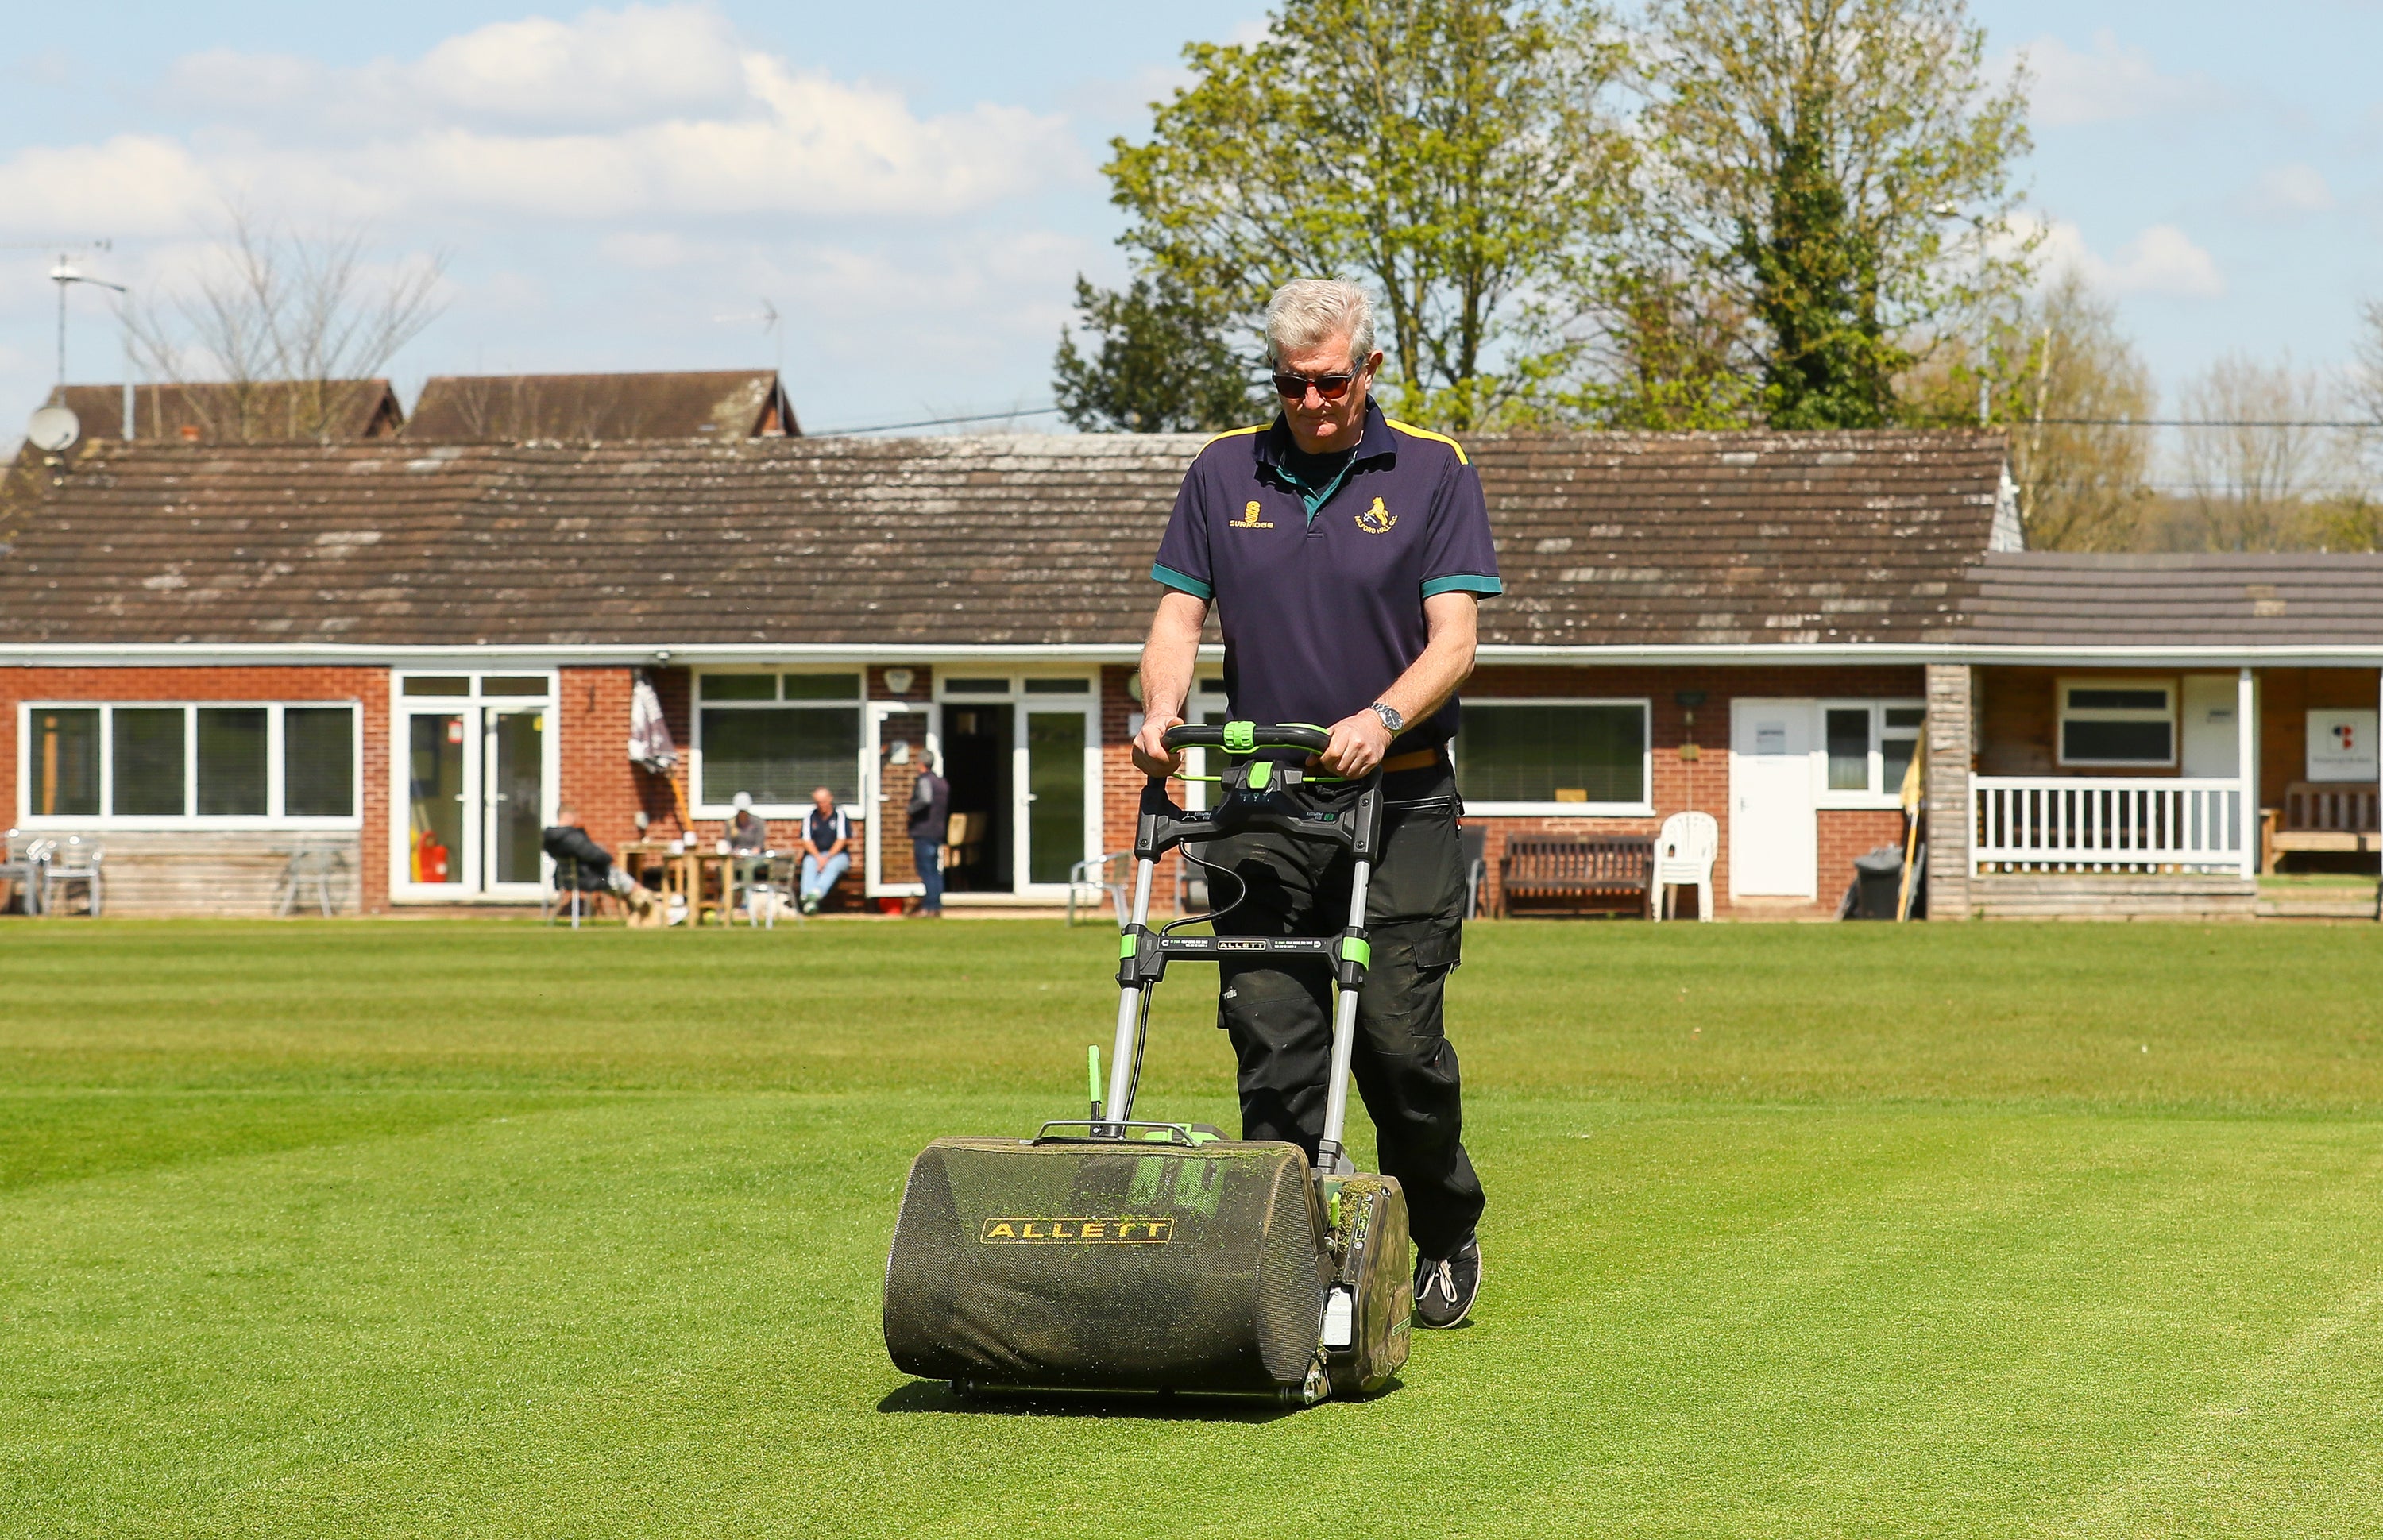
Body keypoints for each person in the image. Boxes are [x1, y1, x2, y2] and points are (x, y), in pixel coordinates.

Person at [1131, 278, 1501, 1329]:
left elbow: (1456, 639)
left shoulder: (1431, 471)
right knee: (1269, 1025)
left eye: (1330, 382)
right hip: (1263, 797)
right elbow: (1176, 614)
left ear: (1368, 370)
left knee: (1395, 1035)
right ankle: (1292, 1254)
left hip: (1402, 794)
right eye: (1292, 384)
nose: (1312, 402)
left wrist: (1383, 715)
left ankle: (1441, 1223)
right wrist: (1161, 708)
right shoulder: (1222, 470)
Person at [540, 807, 655, 921]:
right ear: (568, 816)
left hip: (565, 878)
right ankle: (649, 908)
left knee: (618, 883)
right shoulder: (572, 837)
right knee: (624, 881)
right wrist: (608, 857)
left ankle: (639, 910)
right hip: (587, 877)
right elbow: (595, 855)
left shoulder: (550, 838)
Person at [797, 786, 852, 915]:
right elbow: (807, 840)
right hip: (816, 854)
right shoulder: (810, 816)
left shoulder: (840, 814)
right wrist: (818, 857)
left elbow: (842, 839)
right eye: (818, 802)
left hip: (838, 855)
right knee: (809, 862)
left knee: (832, 865)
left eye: (824, 802)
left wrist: (827, 858)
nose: (821, 806)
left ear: (830, 799)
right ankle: (806, 897)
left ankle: (817, 893)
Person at [906, 754, 950, 917]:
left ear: (921, 764)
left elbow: (925, 799)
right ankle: (936, 906)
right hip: (938, 831)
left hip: (924, 831)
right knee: (935, 871)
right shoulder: (942, 782)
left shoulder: (925, 781)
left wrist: (910, 810)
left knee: (926, 870)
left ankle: (929, 907)